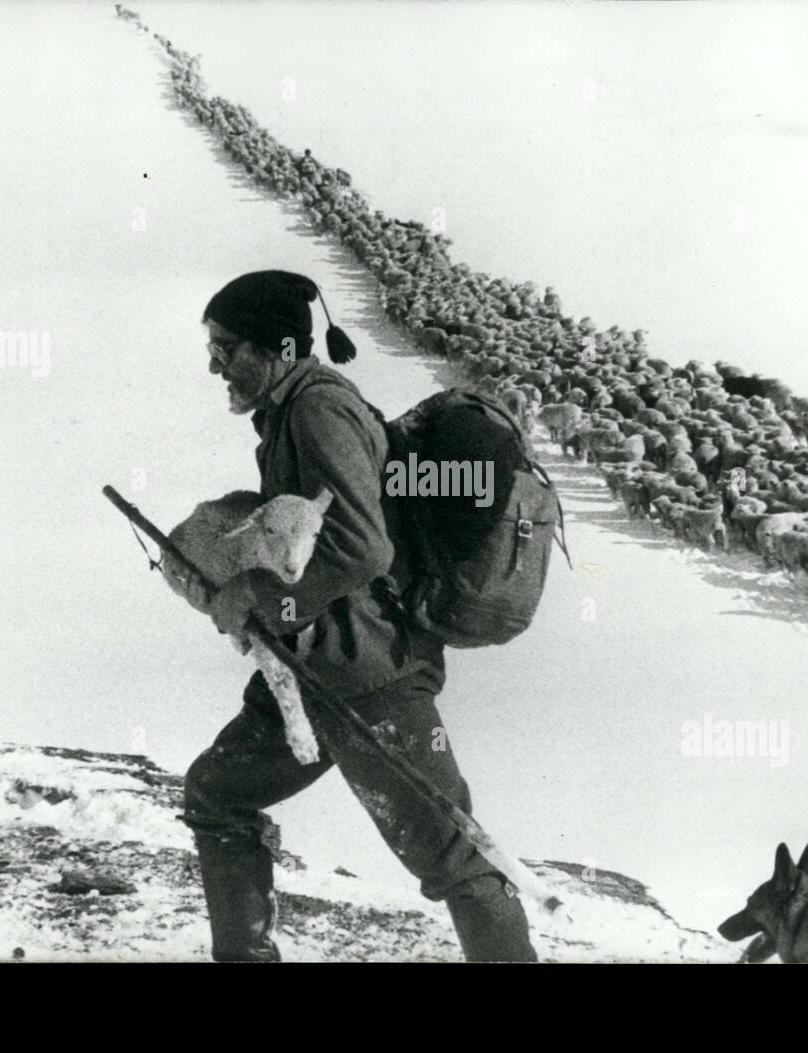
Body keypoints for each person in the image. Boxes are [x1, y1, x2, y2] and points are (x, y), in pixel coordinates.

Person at [161, 269, 537, 963]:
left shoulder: (316, 410)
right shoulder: (288, 410)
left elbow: (363, 547)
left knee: (454, 854)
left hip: (369, 674)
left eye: (227, 345)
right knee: (215, 792)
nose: (215, 362)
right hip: (312, 666)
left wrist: (265, 599)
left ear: (276, 346)